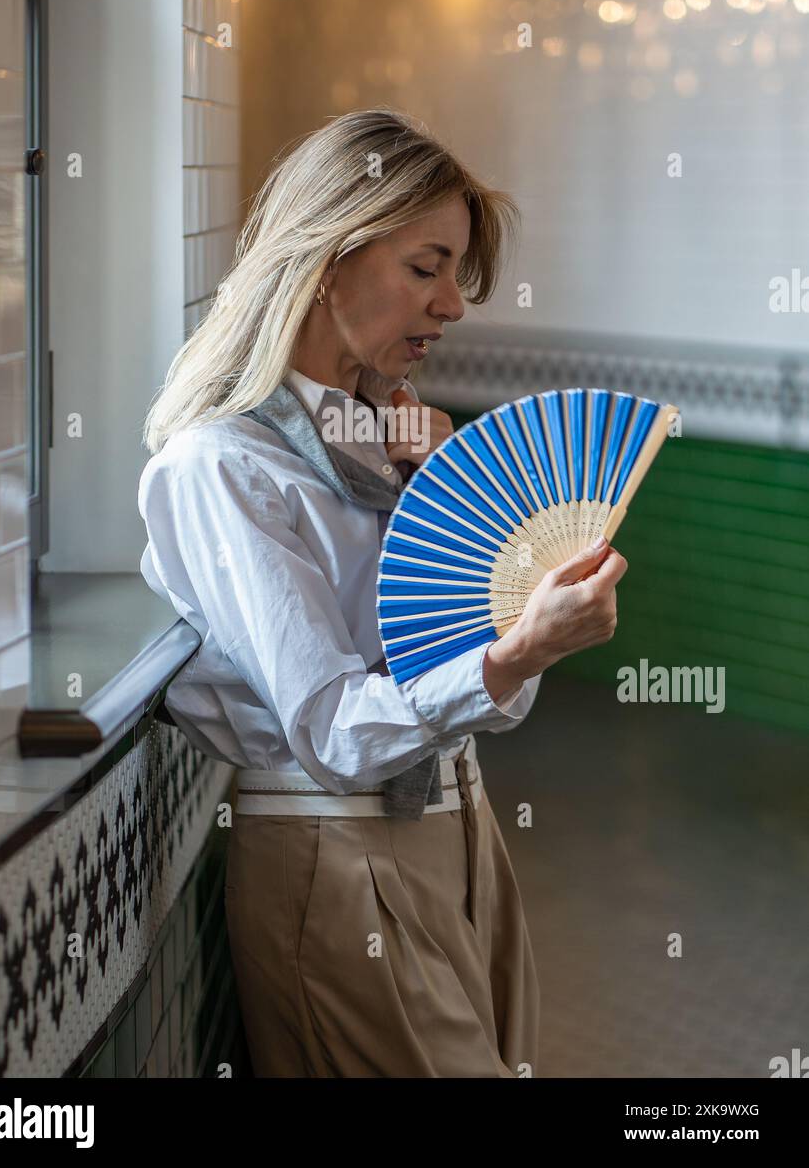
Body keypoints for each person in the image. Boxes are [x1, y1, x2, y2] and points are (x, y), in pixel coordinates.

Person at [137, 107, 627, 1077]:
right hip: (336, 859)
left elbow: (485, 702)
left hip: (460, 833)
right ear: (327, 260)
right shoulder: (222, 468)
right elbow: (332, 732)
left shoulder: (386, 440)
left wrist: (504, 607)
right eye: (424, 266)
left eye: (454, 274)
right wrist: (517, 648)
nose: (451, 305)